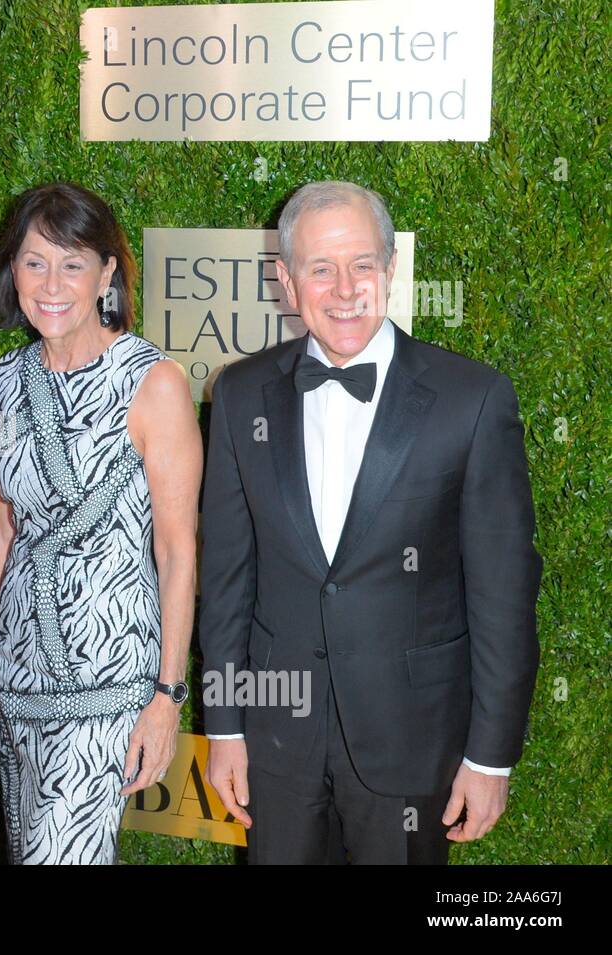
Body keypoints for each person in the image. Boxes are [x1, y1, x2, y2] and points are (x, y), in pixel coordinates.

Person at [200, 180, 542, 864]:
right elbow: (227, 579)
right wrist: (226, 728)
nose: (344, 287)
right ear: (287, 282)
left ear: (391, 270)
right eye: (320, 268)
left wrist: (491, 756)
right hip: (275, 744)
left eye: (362, 264)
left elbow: (504, 595)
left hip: (414, 744)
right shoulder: (239, 395)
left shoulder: (471, 400)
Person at [0, 183, 203, 864]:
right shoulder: (4, 380)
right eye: (35, 263)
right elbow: (1, 525)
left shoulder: (155, 383)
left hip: (110, 673)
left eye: (72, 263)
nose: (52, 284)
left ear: (107, 272)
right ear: (13, 272)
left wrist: (166, 697)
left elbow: (177, 551)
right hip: (22, 672)